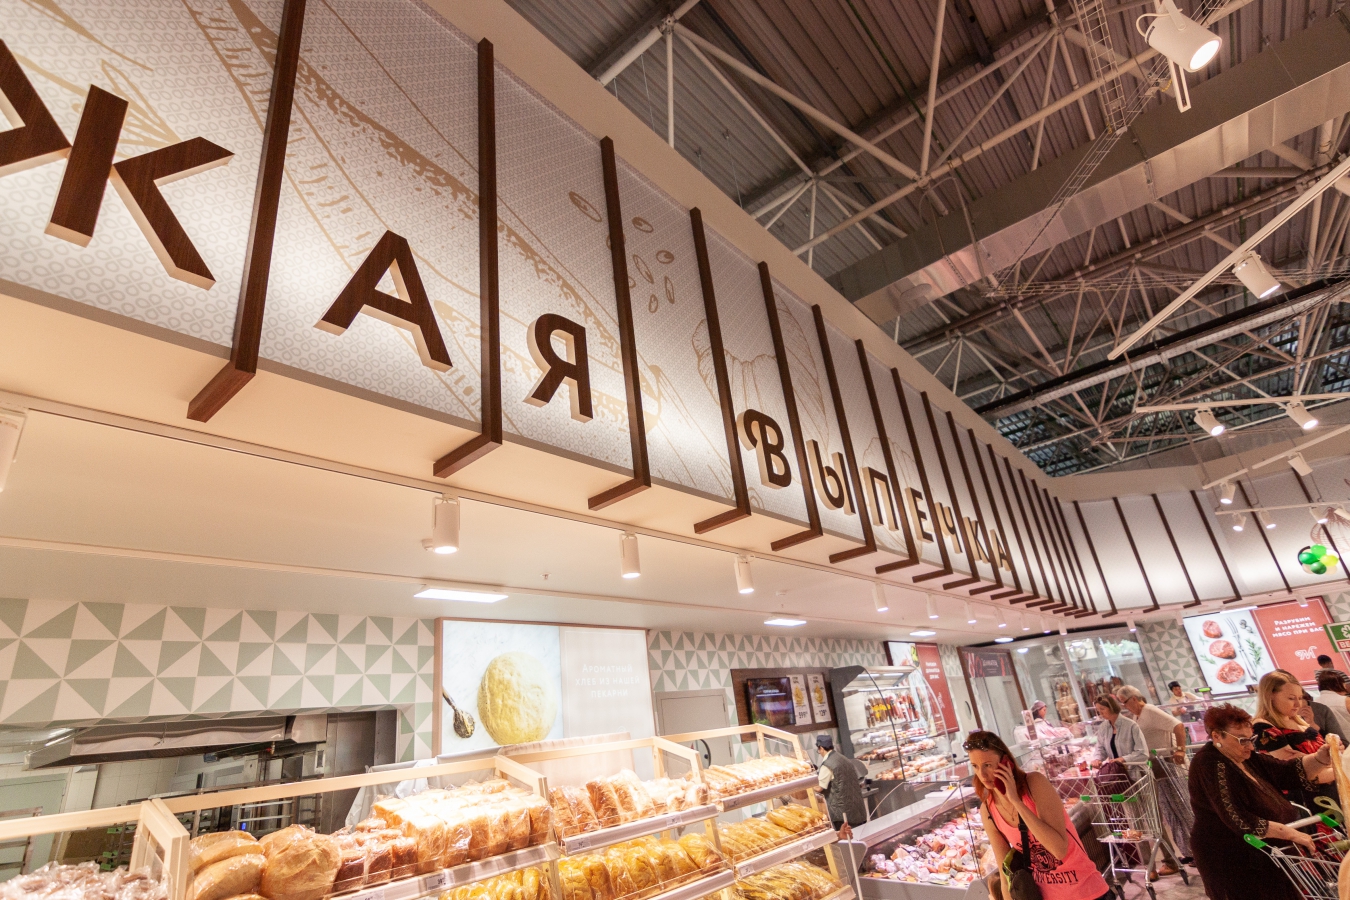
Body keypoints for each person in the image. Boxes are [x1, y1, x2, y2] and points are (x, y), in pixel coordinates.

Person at [1188, 703, 1334, 900]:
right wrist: (1290, 833)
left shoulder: (1247, 758)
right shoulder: (1210, 764)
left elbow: (1288, 771)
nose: (1250, 746)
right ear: (1216, 736)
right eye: (1242, 740)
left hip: (1264, 853)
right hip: (1231, 859)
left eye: (1251, 739)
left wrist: (1321, 758)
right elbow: (1237, 818)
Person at [964, 730, 1111, 900]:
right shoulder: (988, 810)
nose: (982, 774)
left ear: (1006, 763)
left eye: (988, 765)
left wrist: (1016, 802)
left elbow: (1058, 850)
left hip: (1086, 892)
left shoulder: (1034, 784)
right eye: (975, 766)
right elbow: (1005, 875)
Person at [1115, 686, 1191, 868]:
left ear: (1134, 698)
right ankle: (1189, 852)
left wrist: (1180, 750)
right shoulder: (1137, 717)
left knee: (1182, 809)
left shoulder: (1150, 711)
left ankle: (1200, 851)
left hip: (1168, 764)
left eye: (1124, 702)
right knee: (1170, 812)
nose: (1124, 707)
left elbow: (1178, 726)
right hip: (1156, 767)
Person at [815, 733, 866, 830]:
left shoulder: (827, 764)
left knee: (847, 838)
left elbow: (819, 788)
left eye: (819, 750)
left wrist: (806, 786)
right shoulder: (844, 758)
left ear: (821, 748)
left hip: (841, 815)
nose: (819, 752)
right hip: (857, 809)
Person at [1092, 694, 1149, 781]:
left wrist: (1123, 759)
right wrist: (1097, 759)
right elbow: (1100, 747)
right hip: (1117, 777)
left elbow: (1143, 753)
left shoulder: (1131, 725)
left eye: (1102, 709)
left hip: (1136, 776)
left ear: (1112, 707)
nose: (1100, 713)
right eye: (1098, 710)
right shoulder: (1103, 727)